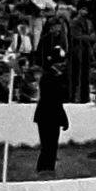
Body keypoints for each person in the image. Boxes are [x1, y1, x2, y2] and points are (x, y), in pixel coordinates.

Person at [34, 20, 70, 176]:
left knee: (51, 145)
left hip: (48, 115)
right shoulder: (50, 77)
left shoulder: (51, 76)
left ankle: (48, 169)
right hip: (49, 115)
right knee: (48, 145)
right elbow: (55, 101)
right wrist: (63, 118)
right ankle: (44, 169)